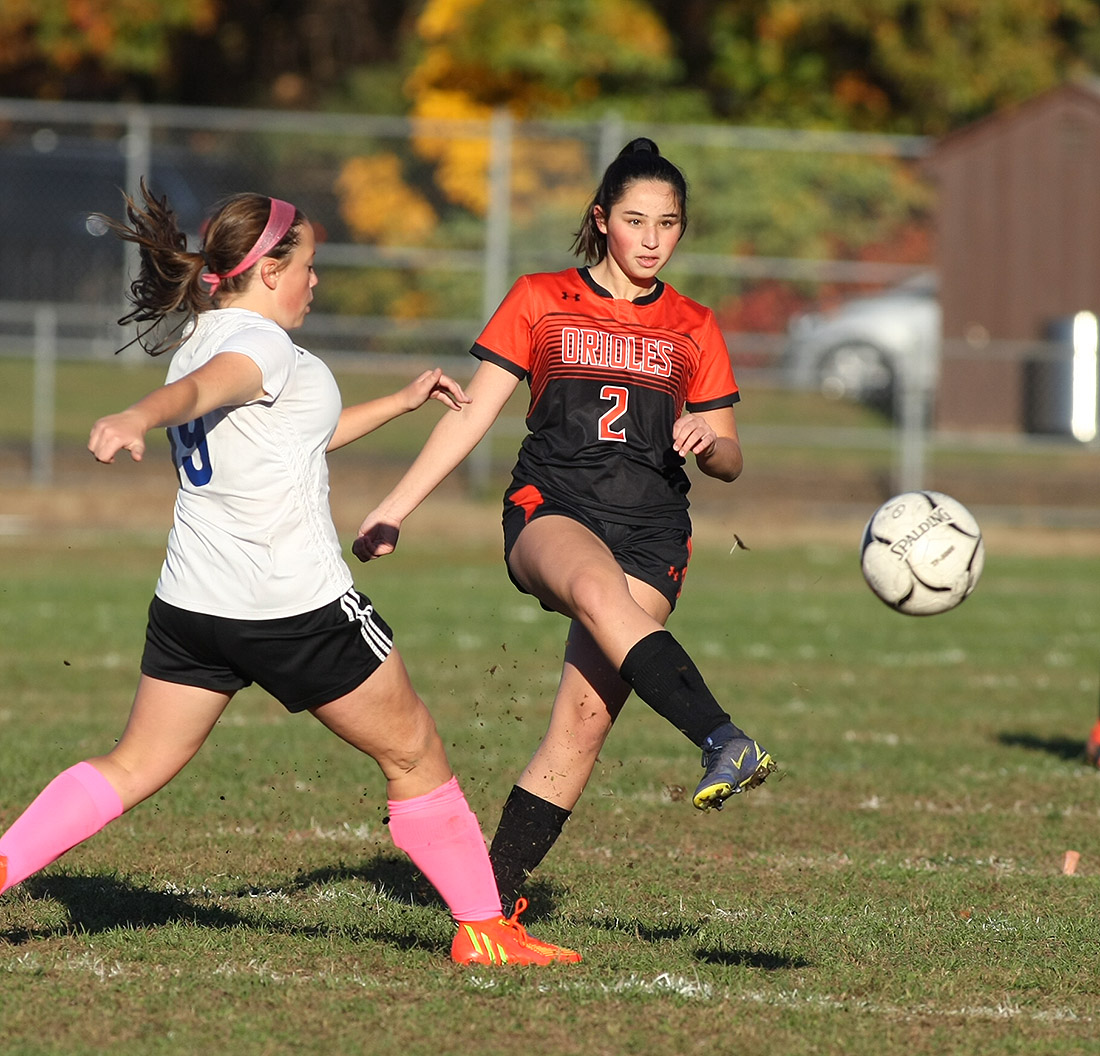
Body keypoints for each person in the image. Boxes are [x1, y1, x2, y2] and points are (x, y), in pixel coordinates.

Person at [0, 183, 580, 967]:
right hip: (294, 608)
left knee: (132, 764)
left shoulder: (203, 332)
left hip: (193, 606)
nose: (317, 281)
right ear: (269, 270)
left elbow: (286, 437)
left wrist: (400, 402)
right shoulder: (255, 347)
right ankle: (483, 930)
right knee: (414, 754)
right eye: (309, 264)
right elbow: (210, 390)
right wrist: (139, 415)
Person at [353, 138, 777, 913]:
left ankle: (489, 907)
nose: (652, 239)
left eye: (669, 224)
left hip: (654, 528)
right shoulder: (539, 297)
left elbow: (732, 458)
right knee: (591, 584)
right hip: (554, 507)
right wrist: (393, 507)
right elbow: (473, 413)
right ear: (601, 220)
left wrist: (710, 443)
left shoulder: (694, 324)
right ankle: (721, 737)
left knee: (580, 728)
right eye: (636, 220)